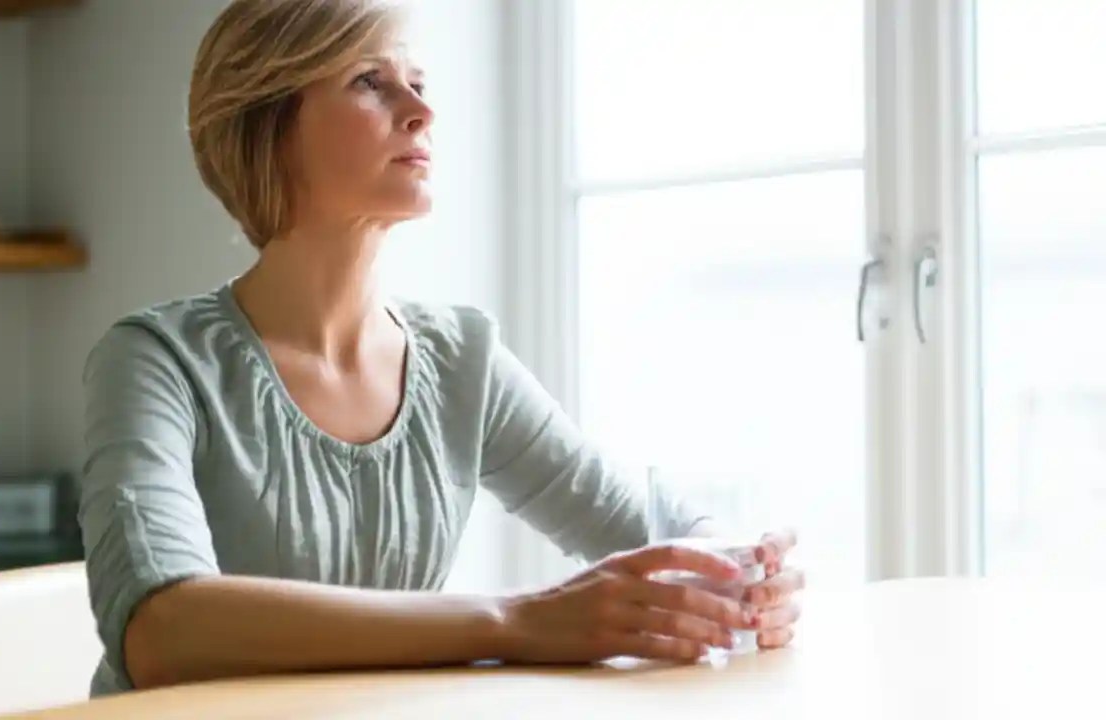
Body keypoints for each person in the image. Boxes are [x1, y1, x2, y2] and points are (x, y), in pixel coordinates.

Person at [79, 0, 803, 697]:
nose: (421, 110)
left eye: (418, 84)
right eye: (370, 80)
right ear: (267, 125)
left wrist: (737, 573)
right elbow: (162, 631)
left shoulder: (460, 360)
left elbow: (649, 524)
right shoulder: (154, 362)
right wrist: (517, 622)